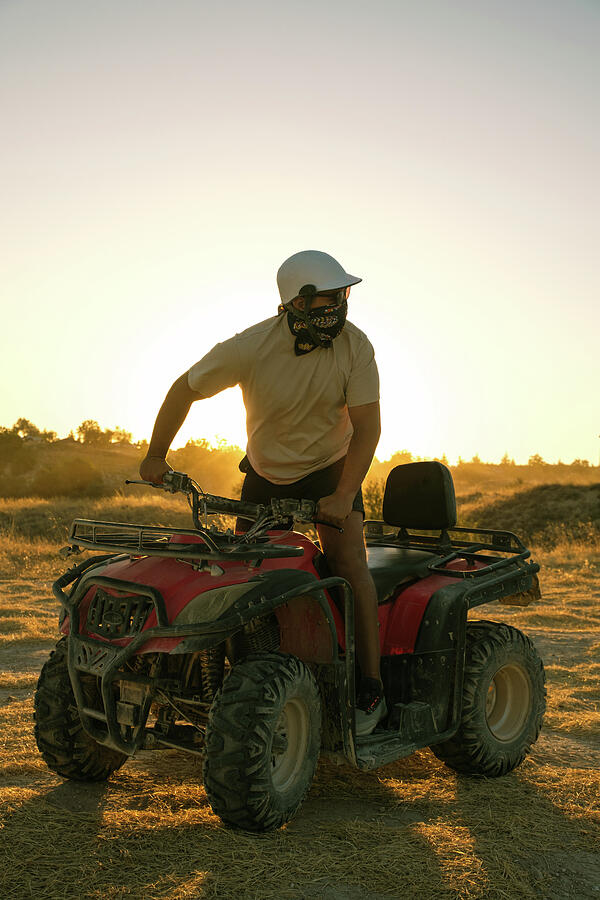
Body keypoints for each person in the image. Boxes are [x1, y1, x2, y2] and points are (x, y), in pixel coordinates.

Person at [140, 250, 386, 734]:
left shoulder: (357, 347)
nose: (343, 304)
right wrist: (154, 455)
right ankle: (237, 678)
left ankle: (370, 687)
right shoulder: (251, 346)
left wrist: (342, 496)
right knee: (236, 573)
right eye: (333, 297)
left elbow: (368, 429)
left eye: (345, 295)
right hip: (265, 473)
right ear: (299, 303)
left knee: (351, 566)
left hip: (331, 469)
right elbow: (183, 388)